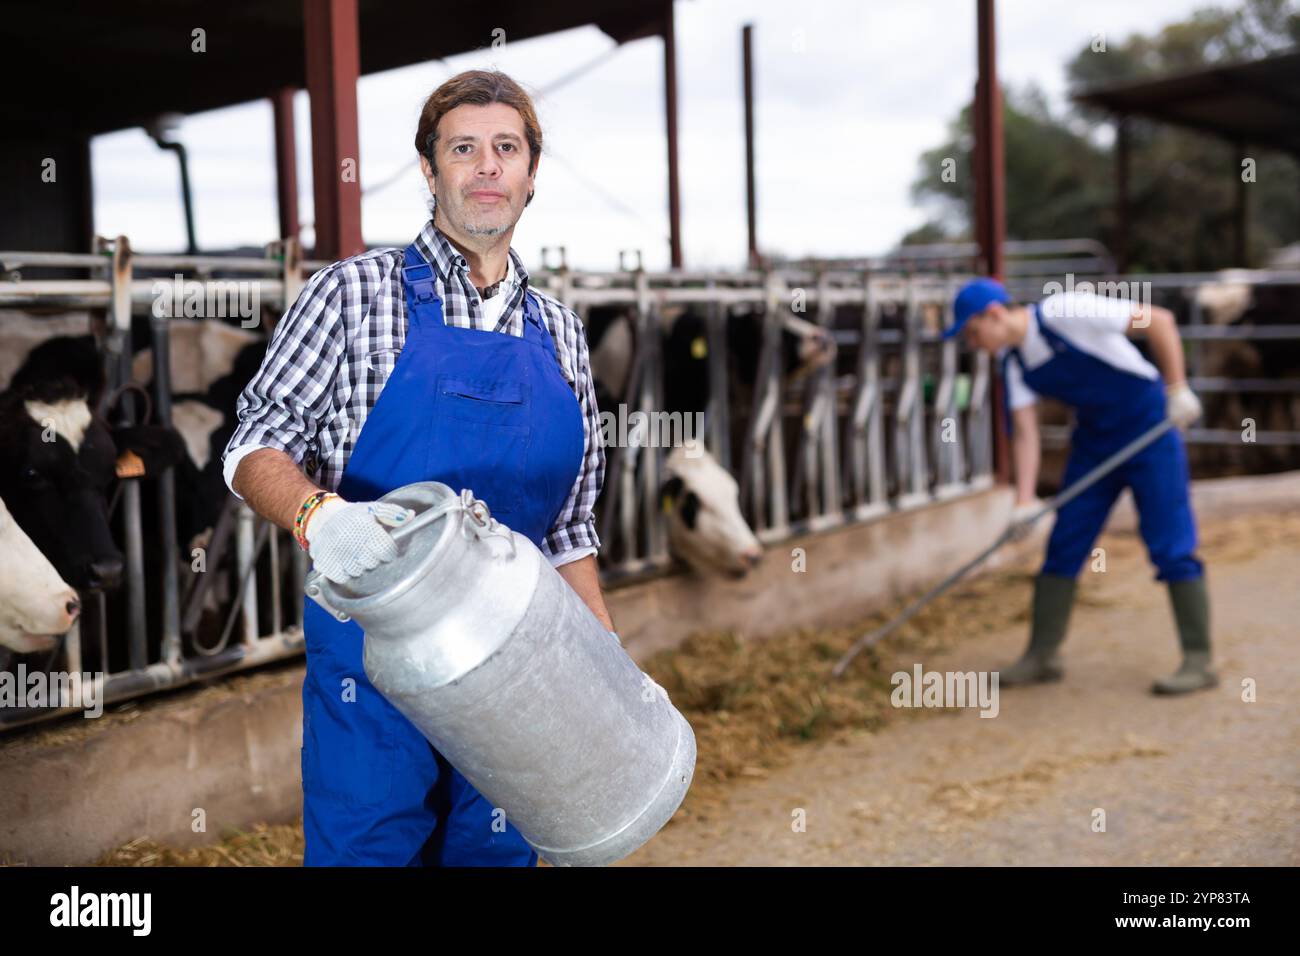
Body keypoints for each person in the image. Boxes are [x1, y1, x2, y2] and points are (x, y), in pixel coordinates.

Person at [222, 70, 613, 865]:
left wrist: (608, 670)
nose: (487, 166)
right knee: (370, 849)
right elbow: (251, 446)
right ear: (430, 172)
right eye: (462, 148)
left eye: (507, 148)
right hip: (375, 658)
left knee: (496, 853)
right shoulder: (349, 294)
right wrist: (317, 516)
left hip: (519, 667)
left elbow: (570, 530)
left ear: (533, 173)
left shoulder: (562, 335)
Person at [945, 277, 1215, 695]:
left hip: (1149, 431)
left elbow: (1159, 321)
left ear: (994, 314)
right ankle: (1041, 655)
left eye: (973, 332)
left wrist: (1177, 389)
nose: (974, 344)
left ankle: (1199, 659)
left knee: (1170, 543)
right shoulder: (1014, 365)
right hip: (1095, 445)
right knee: (1065, 541)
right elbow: (1025, 432)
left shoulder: (1066, 310)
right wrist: (1023, 501)